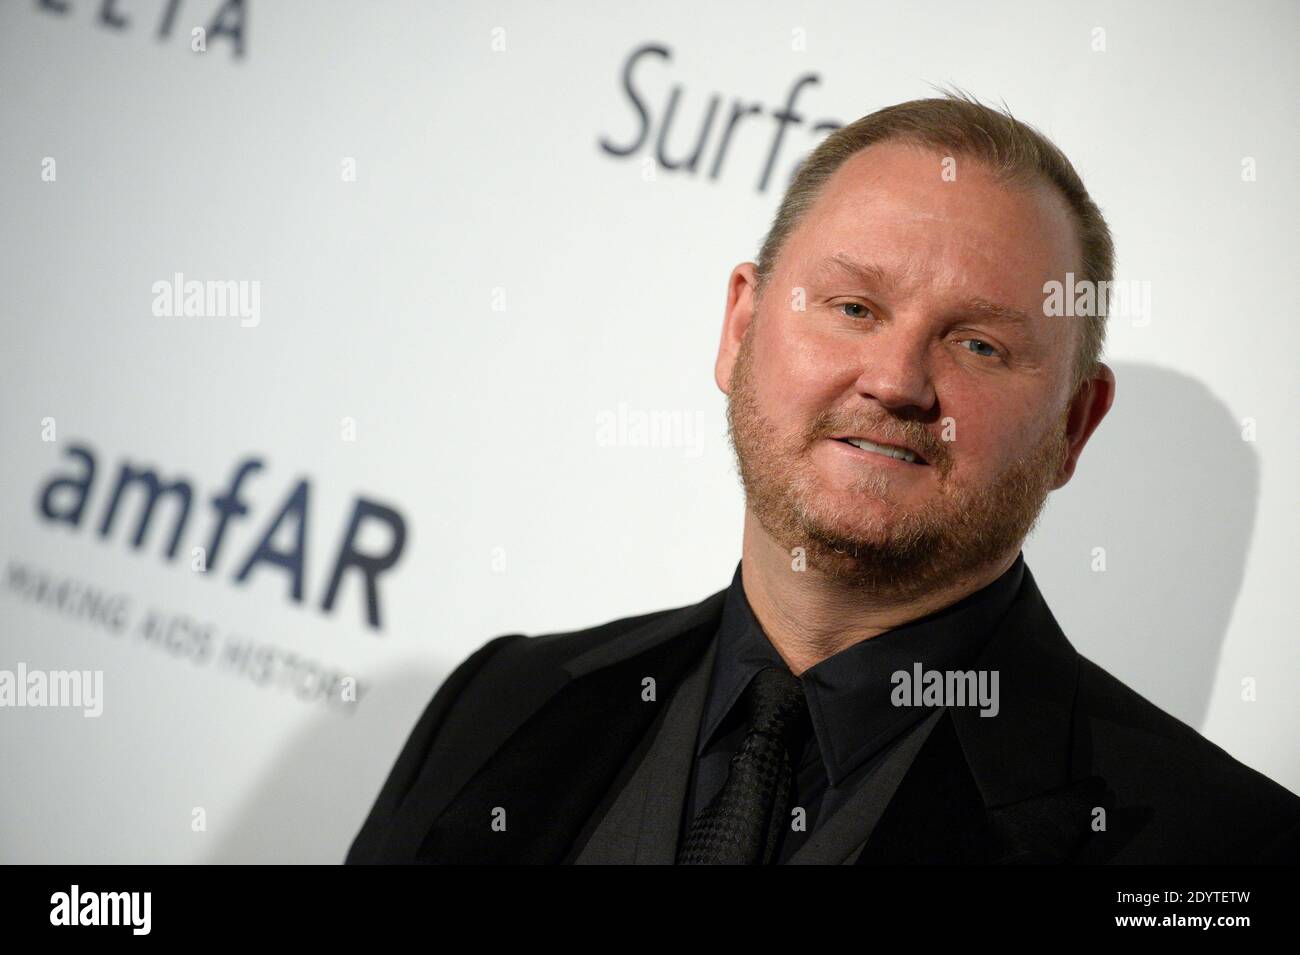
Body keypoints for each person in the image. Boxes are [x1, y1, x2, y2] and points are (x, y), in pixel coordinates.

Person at [346, 91, 1300, 865]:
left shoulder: (1226, 853)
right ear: (739, 330)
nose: (895, 381)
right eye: (852, 307)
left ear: (1073, 428)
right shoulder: (502, 701)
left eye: (978, 343)